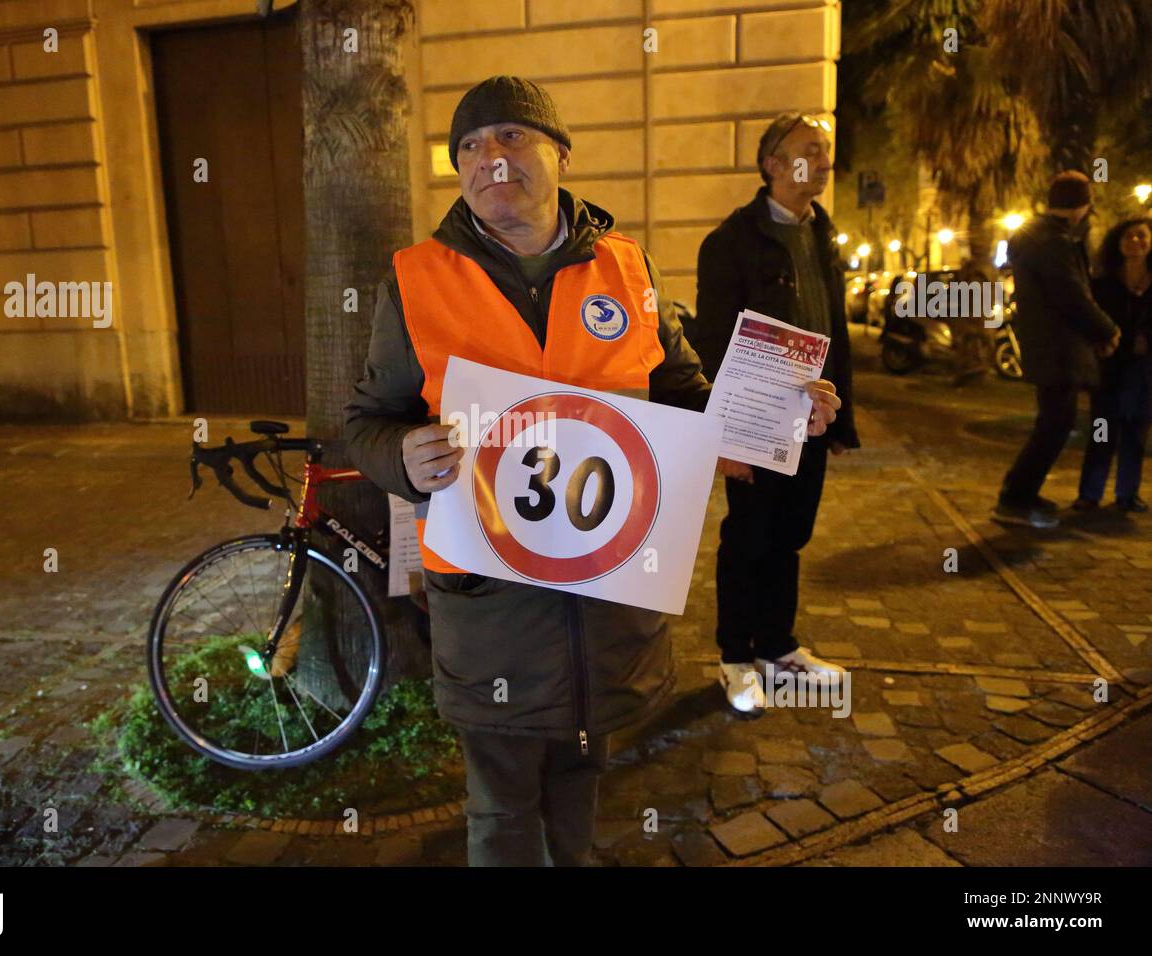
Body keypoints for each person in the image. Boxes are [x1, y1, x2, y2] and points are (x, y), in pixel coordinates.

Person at [344, 77, 840, 865]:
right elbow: (364, 423)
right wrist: (400, 457)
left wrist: (774, 411)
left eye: (511, 136)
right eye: (469, 146)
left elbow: (681, 391)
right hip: (492, 606)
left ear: (561, 154)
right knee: (502, 807)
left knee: (583, 772)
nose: (489, 158)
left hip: (610, 593)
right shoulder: (414, 278)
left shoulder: (625, 264)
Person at [690, 112, 860, 716]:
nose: (821, 161)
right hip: (756, 422)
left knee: (790, 537)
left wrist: (842, 421)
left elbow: (835, 333)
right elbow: (714, 345)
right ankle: (735, 658)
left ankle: (778, 647)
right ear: (770, 164)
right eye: (807, 150)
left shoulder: (823, 235)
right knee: (749, 537)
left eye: (825, 151)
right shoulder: (731, 243)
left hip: (812, 419)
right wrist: (726, 439)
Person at [993, 171, 1122, 529]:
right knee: (1056, 424)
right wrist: (1108, 329)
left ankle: (1020, 492)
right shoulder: (1054, 242)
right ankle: (1015, 497)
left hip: (1049, 346)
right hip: (1058, 349)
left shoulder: (1040, 238)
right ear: (1081, 206)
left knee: (1054, 422)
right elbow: (1071, 295)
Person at [1074, 217, 1152, 513]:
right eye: (1128, 236)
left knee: (1136, 432)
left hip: (1144, 371)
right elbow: (1093, 320)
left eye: (1142, 236)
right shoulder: (1104, 283)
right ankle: (1089, 493)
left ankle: (1127, 494)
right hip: (1110, 367)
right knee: (1102, 429)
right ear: (1118, 243)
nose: (1135, 241)